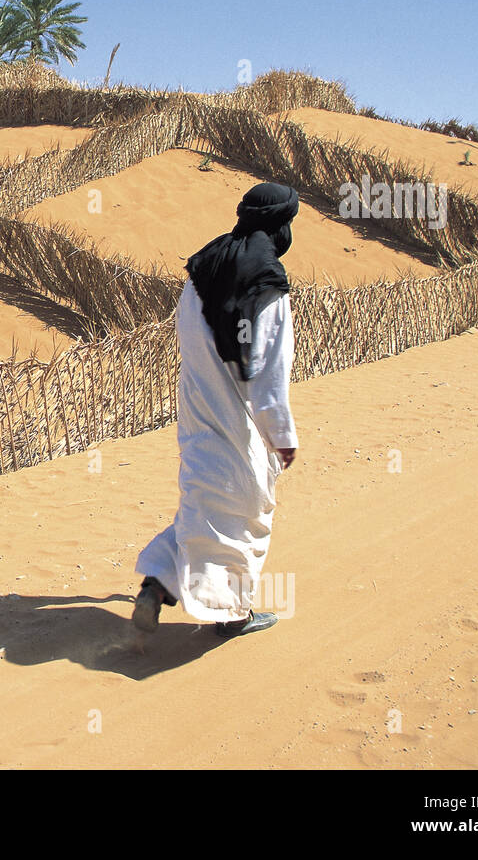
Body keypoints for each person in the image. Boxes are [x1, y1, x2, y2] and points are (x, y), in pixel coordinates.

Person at [132, 182, 300, 638]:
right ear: (280, 226)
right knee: (240, 518)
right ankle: (231, 615)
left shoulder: (203, 270)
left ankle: (158, 583)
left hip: (196, 414)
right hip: (239, 425)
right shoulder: (267, 287)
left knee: (201, 506)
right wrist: (281, 438)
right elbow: (268, 379)